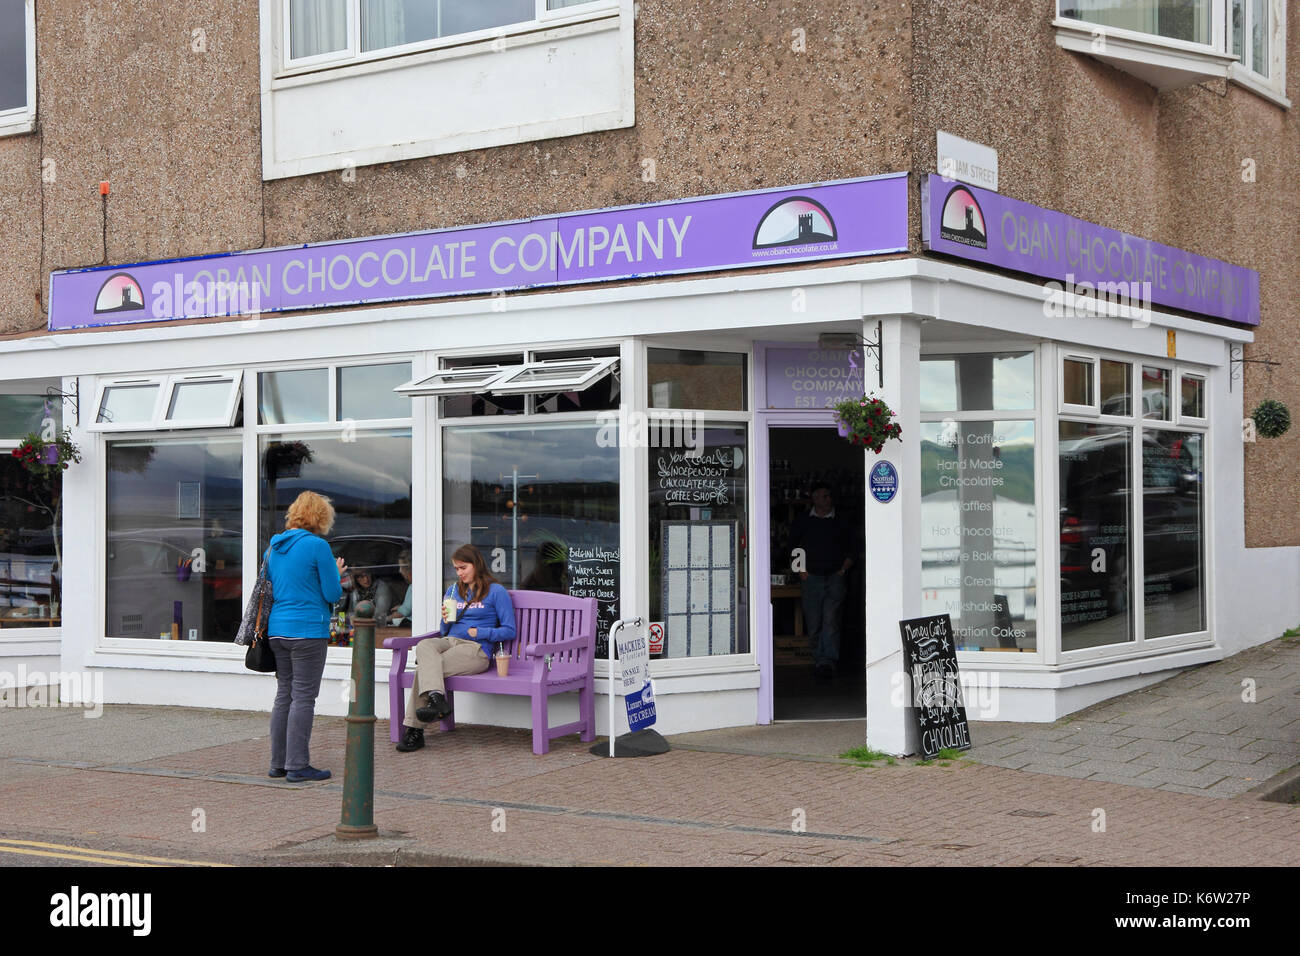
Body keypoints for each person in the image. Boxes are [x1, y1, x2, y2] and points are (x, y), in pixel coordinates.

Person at [396, 544, 515, 753]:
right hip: (450, 641)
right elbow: (444, 631)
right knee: (424, 645)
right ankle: (437, 698)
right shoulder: (453, 591)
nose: (459, 573)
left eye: (463, 568)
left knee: (424, 668)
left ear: (476, 564)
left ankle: (414, 731)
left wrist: (481, 632)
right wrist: (445, 620)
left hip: (475, 649)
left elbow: (509, 630)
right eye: (456, 569)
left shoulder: (496, 591)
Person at [266, 491, 345, 782]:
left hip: (277, 630)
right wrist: (336, 573)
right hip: (308, 631)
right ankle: (297, 765)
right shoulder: (317, 546)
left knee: (284, 695)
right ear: (321, 517)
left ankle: (278, 763)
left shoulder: (273, 547)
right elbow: (332, 593)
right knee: (303, 697)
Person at [788, 482, 854, 681]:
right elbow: (792, 546)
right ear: (815, 498)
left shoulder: (841, 520)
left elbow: (853, 547)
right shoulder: (803, 520)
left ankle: (827, 662)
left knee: (831, 621)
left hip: (835, 576)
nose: (828, 500)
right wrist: (801, 571)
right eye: (824, 496)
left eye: (829, 496)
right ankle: (819, 659)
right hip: (811, 578)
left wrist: (843, 569)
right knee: (814, 622)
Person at [388, 550, 413, 626]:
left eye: (402, 567)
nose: (400, 571)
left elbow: (405, 611)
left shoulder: (415, 587)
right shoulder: (412, 586)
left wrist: (386, 619)